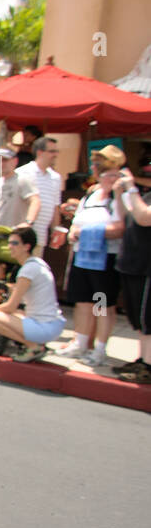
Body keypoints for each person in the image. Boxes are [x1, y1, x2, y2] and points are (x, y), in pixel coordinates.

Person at [56, 150, 127, 368]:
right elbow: (78, 220)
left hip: (104, 260)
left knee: (102, 305)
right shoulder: (91, 194)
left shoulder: (119, 198)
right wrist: (73, 231)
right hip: (82, 256)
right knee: (83, 302)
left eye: (108, 172)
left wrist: (86, 232)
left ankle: (99, 348)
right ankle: (81, 342)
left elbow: (119, 228)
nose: (100, 174)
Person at [0, 225, 65, 362]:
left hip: (45, 327)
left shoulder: (28, 269)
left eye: (14, 243)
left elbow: (10, 306)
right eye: (9, 242)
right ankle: (36, 345)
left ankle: (33, 347)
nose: (10, 246)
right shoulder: (38, 264)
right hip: (52, 323)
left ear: (26, 247)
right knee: (10, 314)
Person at [114, 160, 151, 383]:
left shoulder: (140, 195)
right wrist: (120, 193)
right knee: (138, 318)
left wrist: (131, 188)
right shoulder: (142, 195)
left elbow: (144, 217)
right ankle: (142, 359)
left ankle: (148, 366)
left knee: (148, 319)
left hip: (148, 268)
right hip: (133, 264)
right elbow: (126, 215)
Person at [15, 136, 63, 257]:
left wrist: (55, 231)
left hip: (41, 237)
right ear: (40, 152)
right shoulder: (23, 172)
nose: (56, 154)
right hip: (22, 236)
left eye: (56, 151)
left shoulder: (56, 177)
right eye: (52, 151)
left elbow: (55, 207)